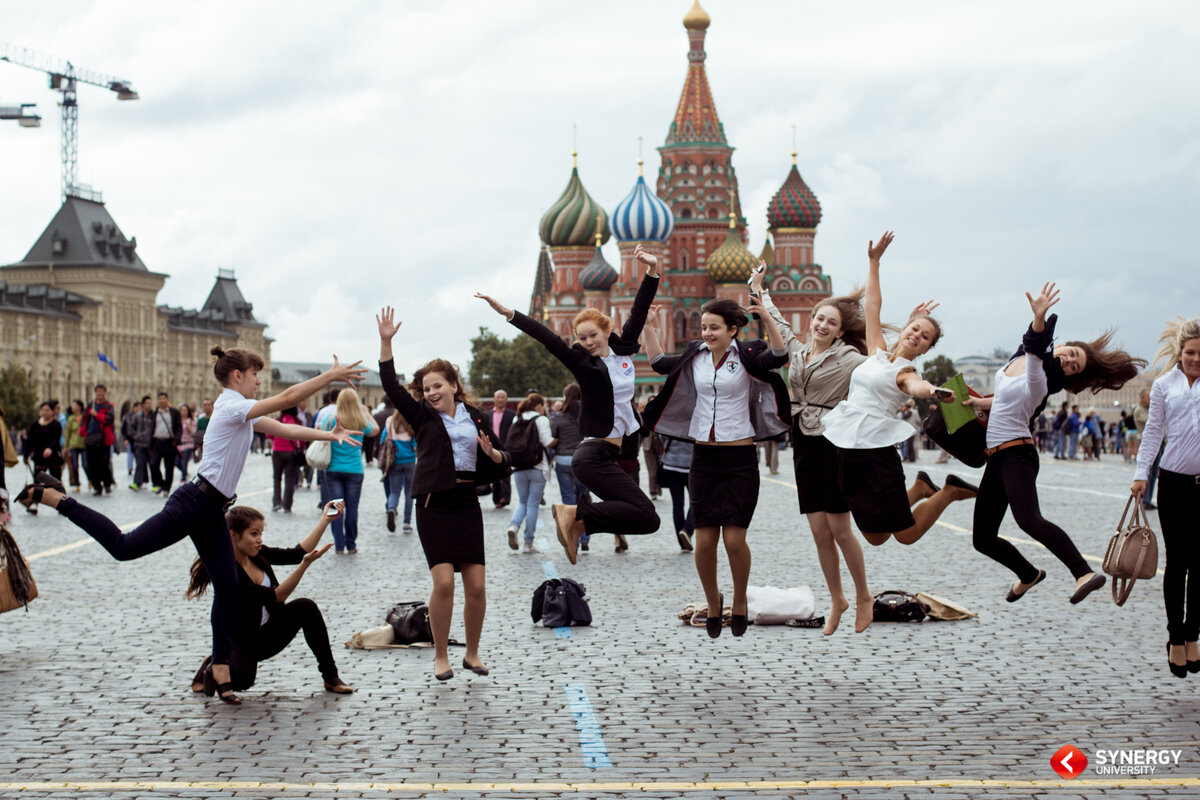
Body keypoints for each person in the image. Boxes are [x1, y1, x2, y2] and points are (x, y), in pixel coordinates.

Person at [15, 346, 365, 704]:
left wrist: (329, 437)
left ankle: (221, 668)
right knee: (124, 547)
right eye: (255, 374)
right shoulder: (231, 406)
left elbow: (281, 428)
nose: (260, 380)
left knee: (228, 590)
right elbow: (288, 397)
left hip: (212, 509)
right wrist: (330, 376)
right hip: (193, 502)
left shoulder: (240, 412)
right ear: (237, 377)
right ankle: (58, 498)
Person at [475, 244, 662, 564]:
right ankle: (575, 514)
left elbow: (639, 309)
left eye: (592, 335)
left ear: (606, 330)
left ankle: (579, 520)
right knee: (645, 513)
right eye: (582, 337)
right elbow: (548, 338)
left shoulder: (625, 350)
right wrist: (510, 314)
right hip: (593, 456)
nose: (587, 342)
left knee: (647, 519)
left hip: (614, 454)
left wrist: (652, 270)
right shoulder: (583, 365)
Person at [966, 283, 1140, 606]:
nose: (1069, 362)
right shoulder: (1015, 362)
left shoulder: (1040, 378)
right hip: (997, 459)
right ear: (1064, 346)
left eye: (1074, 367)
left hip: (1018, 455)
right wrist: (971, 404)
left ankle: (1083, 573)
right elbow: (1002, 398)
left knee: (1029, 519)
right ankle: (1028, 574)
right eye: (1072, 354)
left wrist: (1039, 317)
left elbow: (1035, 345)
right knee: (982, 539)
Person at [819, 232, 979, 550]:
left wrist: (932, 390)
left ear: (926, 348)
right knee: (876, 537)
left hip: (876, 459)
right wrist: (874, 262)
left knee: (904, 535)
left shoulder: (905, 372)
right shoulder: (877, 353)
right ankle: (920, 487)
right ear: (906, 327)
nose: (917, 335)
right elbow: (872, 307)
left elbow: (915, 387)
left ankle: (948, 491)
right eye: (915, 328)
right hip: (848, 452)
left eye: (925, 337)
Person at [642, 294, 788, 637]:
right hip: (704, 458)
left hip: (739, 458)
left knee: (735, 540)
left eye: (714, 327)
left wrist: (767, 318)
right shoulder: (695, 357)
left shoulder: (748, 354)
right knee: (705, 541)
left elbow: (780, 355)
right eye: (703, 327)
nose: (706, 333)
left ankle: (739, 600)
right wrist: (649, 327)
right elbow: (661, 362)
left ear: (732, 329)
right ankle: (712, 600)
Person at [376, 306, 510, 680]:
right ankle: (440, 655)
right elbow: (390, 386)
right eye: (427, 388)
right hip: (434, 504)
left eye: (438, 385)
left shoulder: (476, 416)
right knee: (444, 583)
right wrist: (386, 342)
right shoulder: (422, 416)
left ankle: (472, 653)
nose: (432, 392)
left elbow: (503, 459)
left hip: (467, 503)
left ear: (453, 384)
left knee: (478, 586)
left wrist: (493, 454)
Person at [755, 268, 878, 634]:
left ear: (841, 331)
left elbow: (884, 362)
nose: (823, 325)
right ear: (812, 321)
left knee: (841, 530)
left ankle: (863, 596)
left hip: (832, 444)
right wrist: (759, 289)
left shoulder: (850, 359)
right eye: (819, 318)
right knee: (819, 533)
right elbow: (775, 317)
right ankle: (837, 598)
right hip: (804, 445)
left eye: (831, 322)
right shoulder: (799, 350)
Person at [185, 503, 353, 696]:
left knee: (306, 606)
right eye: (254, 534)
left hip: (271, 631)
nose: (259, 540)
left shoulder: (257, 553)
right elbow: (278, 595)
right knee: (243, 682)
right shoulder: (229, 573)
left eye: (261, 534)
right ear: (233, 535)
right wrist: (305, 565)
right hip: (245, 640)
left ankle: (330, 677)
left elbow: (296, 553)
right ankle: (215, 663)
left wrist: (325, 520)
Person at [1132, 317, 1200, 679]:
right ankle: (1176, 637)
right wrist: (1141, 475)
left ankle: (1193, 634)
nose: (1196, 359)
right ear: (1180, 352)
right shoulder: (1163, 386)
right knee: (1178, 562)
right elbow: (1154, 432)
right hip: (1174, 482)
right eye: (1191, 353)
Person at [320, 389, 377, 554]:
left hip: (333, 469)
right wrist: (366, 413)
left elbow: (320, 435)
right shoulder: (360, 421)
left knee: (336, 508)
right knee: (352, 508)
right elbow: (375, 429)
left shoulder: (331, 419)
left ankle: (339, 545)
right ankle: (351, 544)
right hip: (354, 470)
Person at [505, 392, 553, 554]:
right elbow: (547, 441)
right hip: (537, 466)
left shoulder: (516, 419)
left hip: (518, 468)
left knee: (523, 502)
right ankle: (528, 543)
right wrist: (558, 440)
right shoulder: (541, 420)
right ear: (539, 405)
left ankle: (513, 526)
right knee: (533, 504)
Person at [22, 402, 64, 513]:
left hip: (53, 457)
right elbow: (30, 441)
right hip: (39, 457)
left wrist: (50, 448)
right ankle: (34, 503)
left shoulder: (56, 425)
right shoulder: (35, 425)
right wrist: (26, 455)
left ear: (52, 412)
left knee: (56, 482)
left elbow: (56, 440)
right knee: (37, 482)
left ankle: (62, 503)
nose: (44, 413)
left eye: (47, 410)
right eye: (43, 410)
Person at [549, 383, 586, 509]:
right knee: (582, 496)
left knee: (567, 497)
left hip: (562, 459)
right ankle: (582, 527)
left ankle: (569, 526)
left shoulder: (558, 416)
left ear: (566, 397)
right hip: (582, 459)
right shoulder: (586, 415)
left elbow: (554, 436)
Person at [381, 409, 417, 533]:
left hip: (394, 461)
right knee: (409, 492)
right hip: (410, 461)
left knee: (394, 491)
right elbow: (415, 446)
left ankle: (391, 509)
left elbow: (382, 440)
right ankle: (407, 523)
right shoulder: (410, 422)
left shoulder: (390, 421)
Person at [657, 435, 695, 552]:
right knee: (696, 502)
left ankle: (682, 543)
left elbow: (661, 435)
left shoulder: (671, 417)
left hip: (670, 465)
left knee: (677, 504)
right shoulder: (695, 419)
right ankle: (687, 530)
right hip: (691, 465)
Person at [80, 385, 116, 495]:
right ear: (95, 392)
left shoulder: (109, 406)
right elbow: (84, 419)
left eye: (102, 391)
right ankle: (97, 486)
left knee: (104, 463)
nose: (100, 393)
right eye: (98, 391)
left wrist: (97, 415)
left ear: (105, 393)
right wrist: (83, 431)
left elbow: (109, 419)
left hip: (103, 439)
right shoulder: (91, 405)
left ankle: (107, 483)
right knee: (91, 464)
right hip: (91, 438)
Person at [269, 406, 303, 513]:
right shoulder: (297, 422)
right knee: (289, 479)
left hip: (277, 452)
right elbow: (302, 439)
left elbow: (269, 435)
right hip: (291, 453)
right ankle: (287, 505)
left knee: (277, 478)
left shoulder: (277, 421)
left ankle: (276, 503)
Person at [149, 391, 183, 495]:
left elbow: (179, 427)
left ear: (167, 400)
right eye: (160, 399)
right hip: (157, 442)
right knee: (153, 464)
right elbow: (151, 428)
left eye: (164, 398)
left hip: (169, 443)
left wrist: (176, 441)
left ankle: (166, 489)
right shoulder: (155, 413)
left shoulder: (174, 412)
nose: (162, 400)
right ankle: (161, 483)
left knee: (168, 467)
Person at [1133, 389, 1161, 510]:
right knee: (1147, 474)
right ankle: (1144, 500)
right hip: (1146, 443)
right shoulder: (1139, 410)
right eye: (1149, 396)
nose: (1151, 398)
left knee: (1154, 474)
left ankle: (1148, 499)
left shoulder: (1150, 409)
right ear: (1142, 399)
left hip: (1158, 443)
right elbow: (1151, 422)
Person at [489, 390, 515, 509]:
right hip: (490, 447)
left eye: (502, 397)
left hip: (506, 446)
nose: (500, 400)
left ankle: (505, 497)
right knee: (493, 473)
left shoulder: (512, 414)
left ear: (506, 400)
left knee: (506, 472)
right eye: (498, 397)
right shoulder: (487, 414)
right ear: (494, 399)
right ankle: (497, 499)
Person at [65, 400, 86, 493]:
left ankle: (91, 480)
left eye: (74, 405)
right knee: (75, 465)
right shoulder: (71, 419)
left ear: (79, 407)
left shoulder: (85, 417)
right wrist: (66, 445)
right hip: (73, 445)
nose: (72, 407)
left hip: (84, 444)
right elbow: (67, 432)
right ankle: (77, 484)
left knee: (86, 464)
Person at [176, 403, 197, 483]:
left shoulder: (191, 421)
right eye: (182, 410)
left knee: (184, 461)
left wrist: (188, 425)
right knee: (177, 462)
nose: (183, 412)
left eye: (185, 410)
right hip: (179, 445)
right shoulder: (178, 421)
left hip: (188, 444)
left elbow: (193, 433)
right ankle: (185, 473)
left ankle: (183, 478)